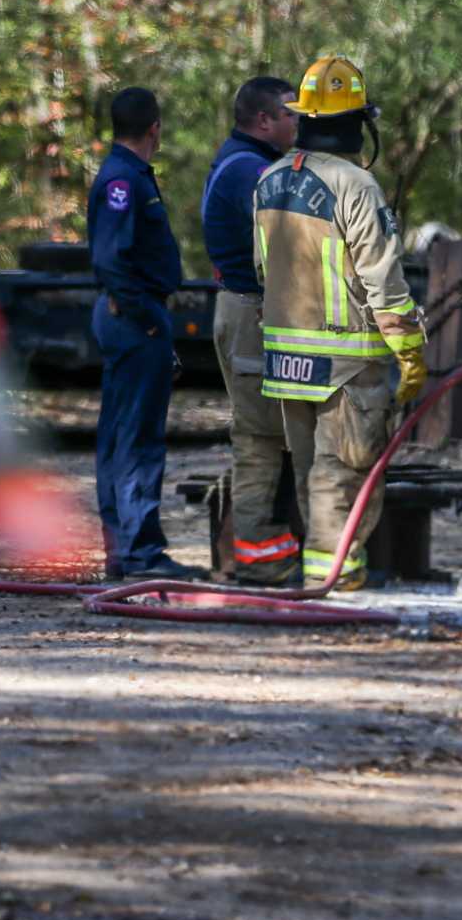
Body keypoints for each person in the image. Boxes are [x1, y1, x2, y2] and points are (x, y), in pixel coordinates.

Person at [255, 56, 427, 590]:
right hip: (346, 363)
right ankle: (334, 584)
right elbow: (383, 278)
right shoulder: (356, 185)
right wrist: (409, 351)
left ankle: (320, 575)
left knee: (313, 476)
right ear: (358, 122)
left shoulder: (269, 179)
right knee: (341, 475)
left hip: (288, 361)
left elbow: (262, 265)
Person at [88, 86, 200, 580]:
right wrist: (148, 317)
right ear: (155, 127)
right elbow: (112, 258)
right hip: (133, 318)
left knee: (120, 435)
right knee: (137, 438)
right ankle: (138, 552)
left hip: (134, 315)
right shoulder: (123, 182)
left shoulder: (128, 177)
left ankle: (122, 547)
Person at [202, 75, 302, 585]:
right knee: (261, 439)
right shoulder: (250, 173)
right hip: (251, 315)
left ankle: (269, 551)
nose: (299, 121)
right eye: (291, 113)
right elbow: (289, 238)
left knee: (273, 435)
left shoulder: (250, 165)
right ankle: (259, 559)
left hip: (253, 313)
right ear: (263, 120)